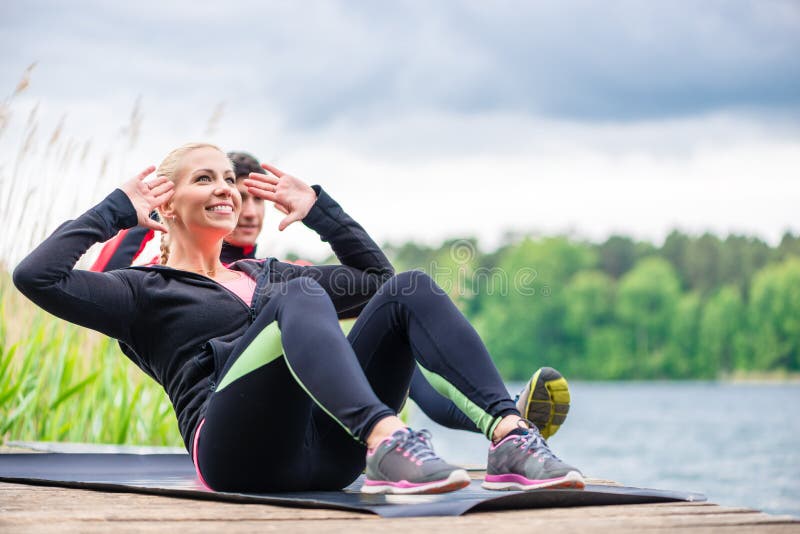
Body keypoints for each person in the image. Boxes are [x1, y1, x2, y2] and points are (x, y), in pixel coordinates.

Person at [14, 142, 583, 494]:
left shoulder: (270, 274)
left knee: (411, 285)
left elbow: (383, 287)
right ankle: (389, 440)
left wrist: (322, 213)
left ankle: (510, 435)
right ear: (164, 205)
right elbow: (36, 276)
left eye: (229, 181)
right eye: (204, 179)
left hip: (329, 457)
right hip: (235, 454)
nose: (226, 191)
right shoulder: (141, 291)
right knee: (300, 297)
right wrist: (115, 209)